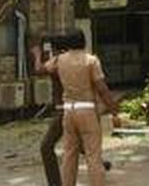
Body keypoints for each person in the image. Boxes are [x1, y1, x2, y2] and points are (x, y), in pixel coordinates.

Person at [31, 33, 113, 186]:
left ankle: (58, 183)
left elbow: (39, 69)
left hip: (65, 110)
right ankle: (101, 165)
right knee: (87, 148)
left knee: (53, 148)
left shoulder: (59, 61)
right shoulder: (87, 60)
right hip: (83, 109)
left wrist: (37, 55)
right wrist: (112, 109)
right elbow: (101, 88)